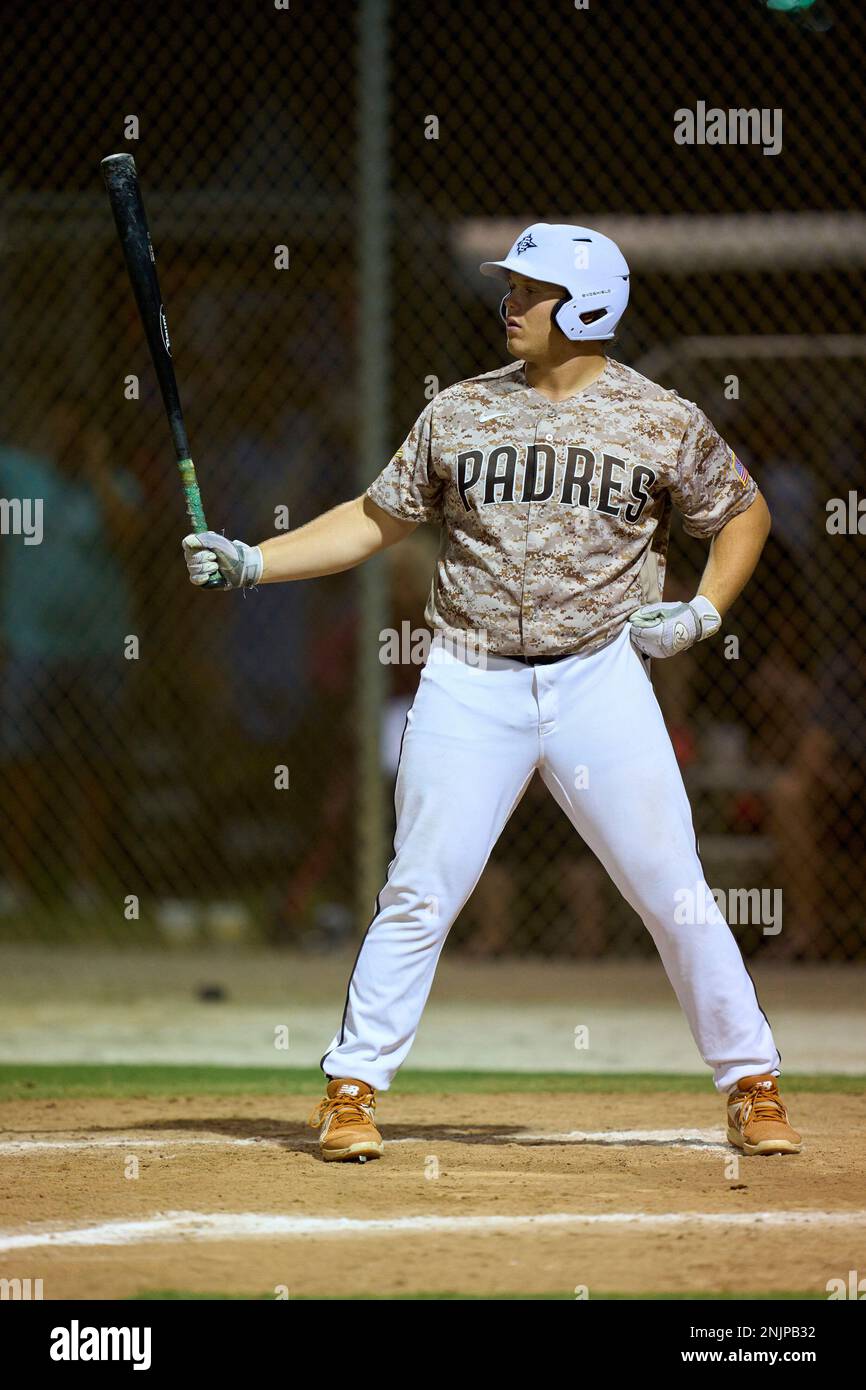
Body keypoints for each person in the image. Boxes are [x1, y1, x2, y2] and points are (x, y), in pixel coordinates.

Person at [183, 222, 801, 1161]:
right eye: (510, 287)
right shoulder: (461, 410)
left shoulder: (661, 417)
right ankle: (351, 1091)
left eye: (530, 290)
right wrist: (252, 561)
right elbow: (372, 518)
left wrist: (704, 615)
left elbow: (744, 513)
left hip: (601, 678)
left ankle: (751, 1083)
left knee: (673, 891)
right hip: (468, 677)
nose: (509, 303)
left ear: (588, 305)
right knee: (418, 890)